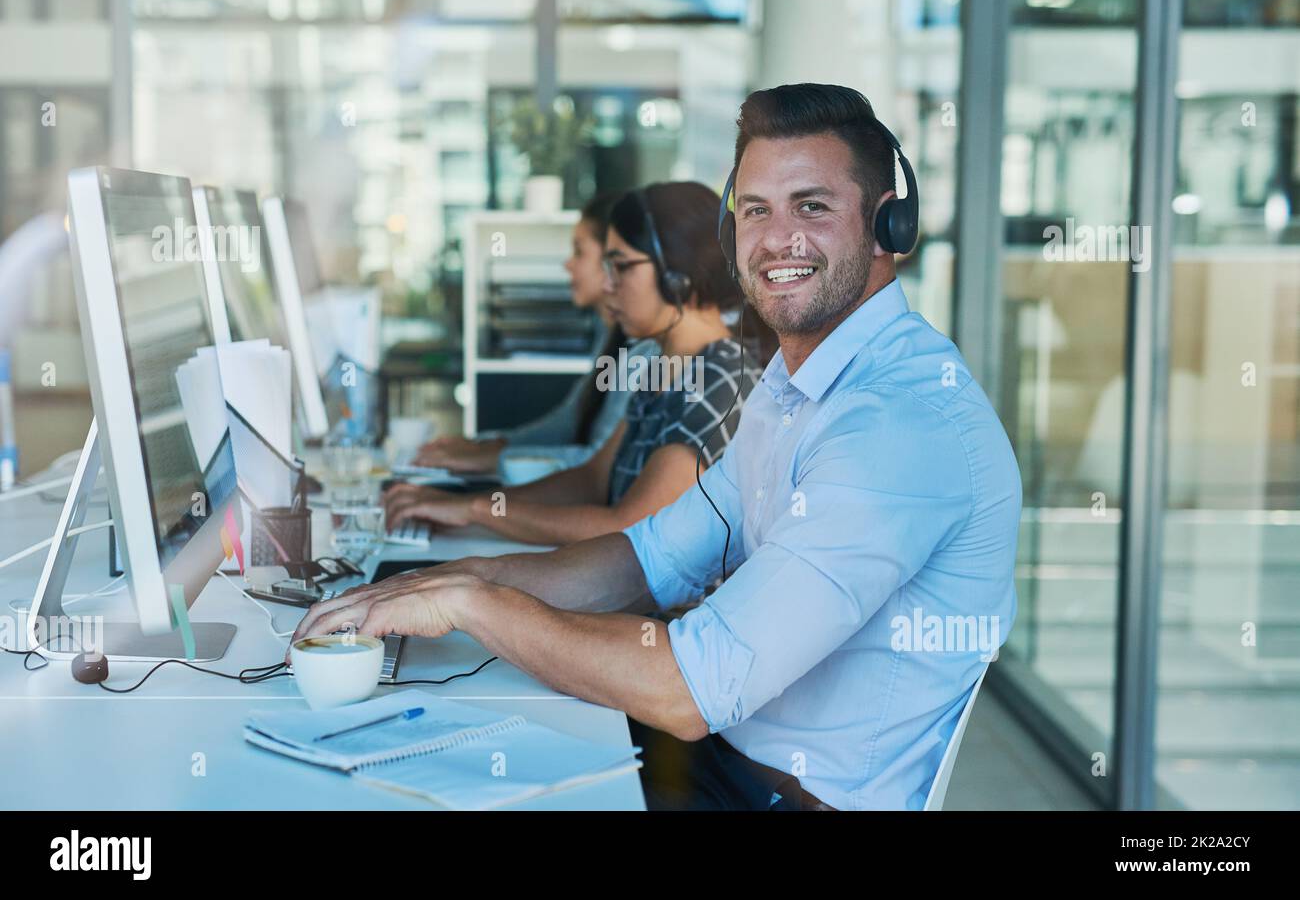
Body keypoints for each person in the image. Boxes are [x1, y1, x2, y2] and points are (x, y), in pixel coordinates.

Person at [294, 83, 1022, 810]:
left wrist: (475, 604)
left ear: (889, 225)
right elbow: (647, 558)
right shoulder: (792, 391)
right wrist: (451, 580)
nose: (778, 239)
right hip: (714, 763)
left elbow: (690, 688)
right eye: (756, 210)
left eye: (814, 207)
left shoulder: (898, 424)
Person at [382, 182, 760, 546]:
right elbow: (593, 479)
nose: (608, 285)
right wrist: (473, 505)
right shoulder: (663, 367)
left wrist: (477, 511)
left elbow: (630, 528)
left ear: (677, 277)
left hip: (668, 611)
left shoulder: (719, 380)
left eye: (621, 267)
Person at [413, 192, 657, 475]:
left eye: (579, 251)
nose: (567, 264)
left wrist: (493, 459)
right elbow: (569, 421)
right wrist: (488, 446)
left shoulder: (645, 351)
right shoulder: (611, 335)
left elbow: (601, 466)